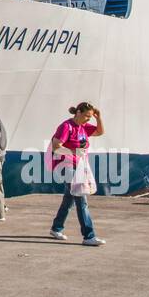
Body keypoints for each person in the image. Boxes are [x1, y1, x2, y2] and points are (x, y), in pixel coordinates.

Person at [49, 102, 105, 246]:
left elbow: (99, 132)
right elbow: (56, 146)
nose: (88, 119)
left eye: (90, 117)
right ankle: (88, 236)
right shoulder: (66, 127)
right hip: (65, 165)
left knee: (70, 198)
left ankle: (56, 228)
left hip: (78, 166)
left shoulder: (83, 127)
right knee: (81, 198)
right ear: (78, 112)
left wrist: (98, 117)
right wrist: (75, 151)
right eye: (87, 116)